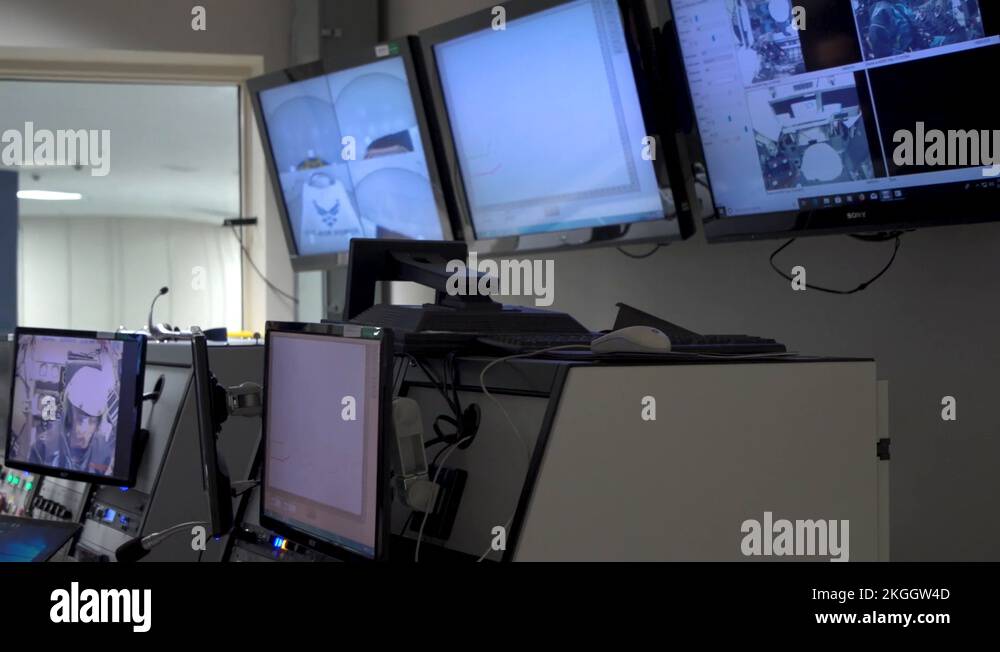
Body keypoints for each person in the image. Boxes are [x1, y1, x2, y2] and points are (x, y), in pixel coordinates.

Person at [29, 366, 116, 476]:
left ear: (99, 423)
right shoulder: (42, 448)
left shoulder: (104, 454)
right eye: (80, 419)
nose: (83, 430)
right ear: (69, 413)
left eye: (92, 421)